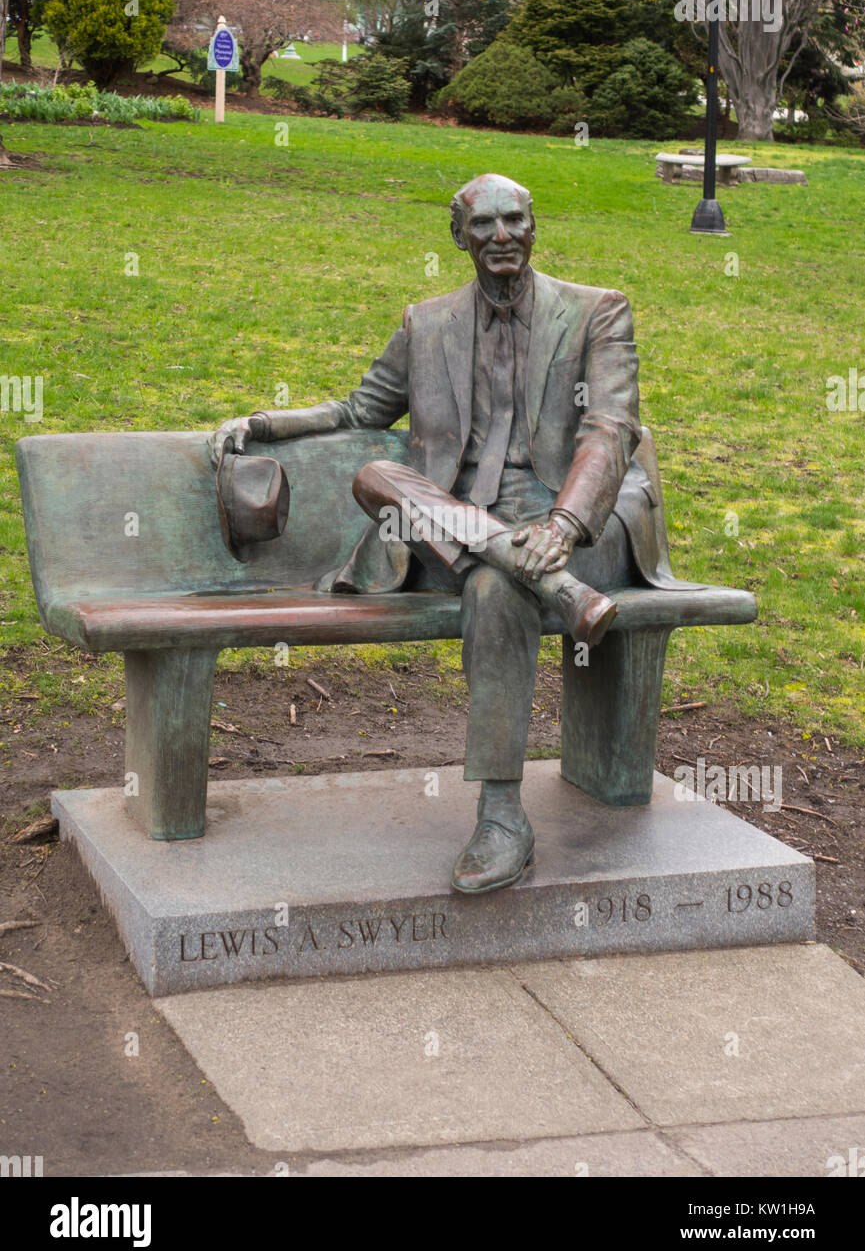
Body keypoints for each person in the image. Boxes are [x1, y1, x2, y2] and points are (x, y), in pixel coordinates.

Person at [209, 173, 662, 894]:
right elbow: (362, 408)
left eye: (514, 219)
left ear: (534, 226)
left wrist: (566, 522)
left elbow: (609, 429)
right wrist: (264, 424)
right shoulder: (428, 322)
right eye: (483, 225)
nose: (501, 236)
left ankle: (501, 813)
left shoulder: (594, 313)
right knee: (376, 478)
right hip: (452, 524)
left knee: (495, 586)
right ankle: (543, 582)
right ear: (460, 237)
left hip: (567, 523)